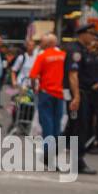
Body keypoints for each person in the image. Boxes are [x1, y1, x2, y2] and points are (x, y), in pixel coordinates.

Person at [66, 26, 98, 169]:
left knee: (73, 128)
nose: (93, 37)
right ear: (83, 34)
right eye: (91, 34)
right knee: (80, 127)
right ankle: (78, 161)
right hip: (79, 94)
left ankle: (49, 154)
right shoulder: (75, 50)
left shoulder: (84, 50)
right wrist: (77, 97)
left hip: (83, 94)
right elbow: (73, 75)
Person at [29, 33, 67, 167]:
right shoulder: (64, 56)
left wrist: (34, 89)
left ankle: (48, 153)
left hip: (46, 93)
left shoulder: (42, 56)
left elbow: (33, 75)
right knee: (57, 124)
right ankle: (52, 153)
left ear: (47, 43)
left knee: (47, 125)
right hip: (60, 94)